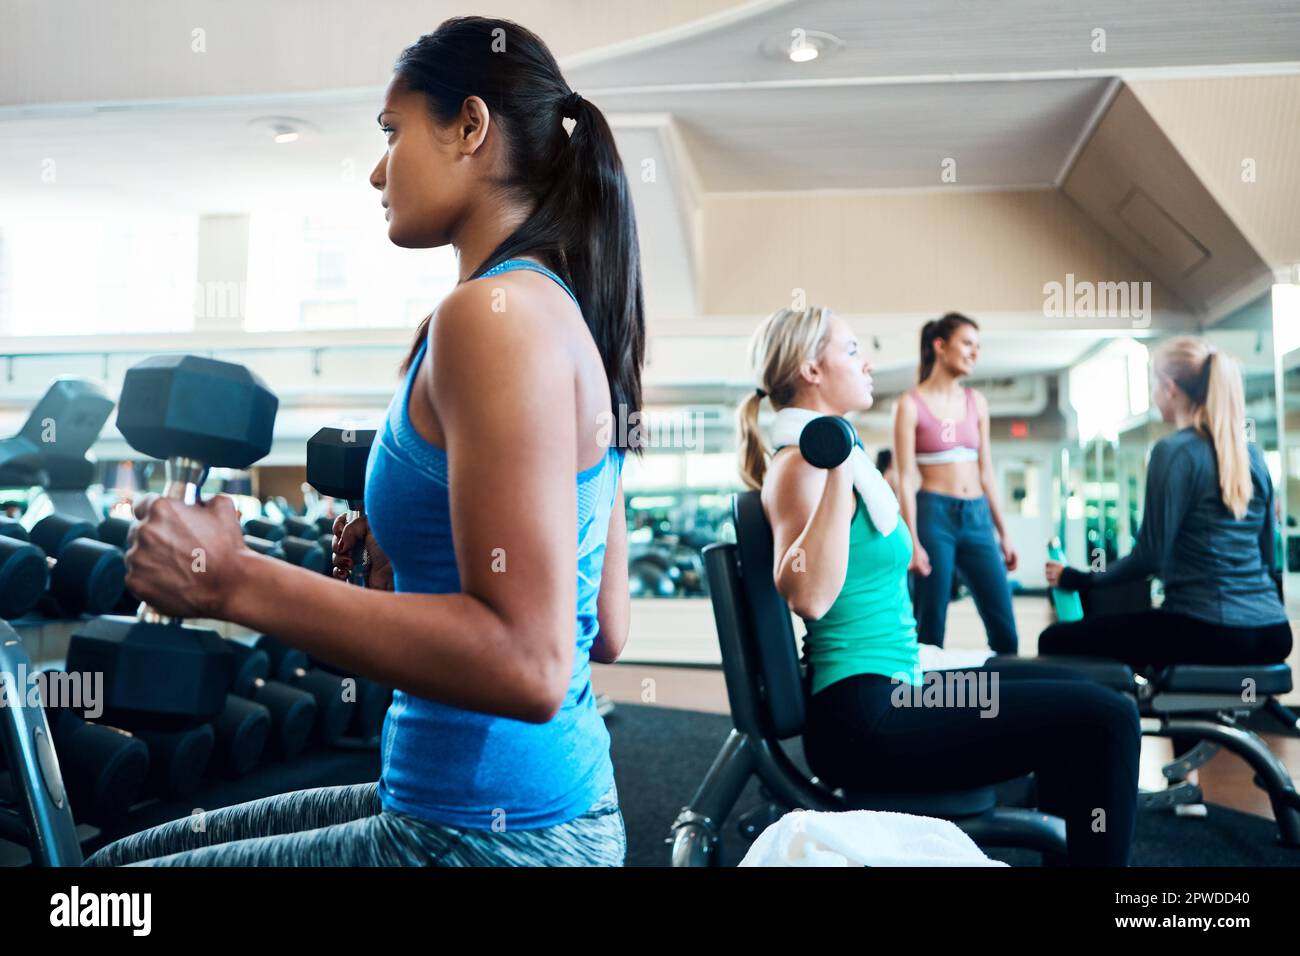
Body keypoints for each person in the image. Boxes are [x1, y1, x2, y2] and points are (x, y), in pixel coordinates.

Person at [86, 16, 643, 867]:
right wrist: (410, 580)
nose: (378, 171)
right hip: (519, 806)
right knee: (115, 867)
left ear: (470, 127)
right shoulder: (563, 315)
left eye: (391, 133)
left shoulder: (488, 321)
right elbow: (602, 627)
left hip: (487, 836)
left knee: (93, 901)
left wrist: (232, 578)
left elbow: (531, 666)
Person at [738, 305, 1140, 866]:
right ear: (810, 369)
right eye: (852, 350)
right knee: (1108, 718)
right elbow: (807, 594)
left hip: (900, 683)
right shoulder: (802, 465)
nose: (868, 361)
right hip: (867, 715)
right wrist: (832, 470)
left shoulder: (838, 459)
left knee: (1076, 688)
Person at [1041, 336, 1292, 670]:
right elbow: (1267, 555)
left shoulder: (1173, 452)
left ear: (1171, 388)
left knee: (1055, 640)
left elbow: (1150, 556)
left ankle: (1118, 718)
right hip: (1272, 631)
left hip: (1208, 629)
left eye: (1153, 384)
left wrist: (1079, 578)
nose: (1153, 394)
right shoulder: (1255, 457)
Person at [894, 313, 1019, 654]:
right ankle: (925, 704)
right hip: (935, 516)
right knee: (930, 629)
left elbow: (987, 470)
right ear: (940, 346)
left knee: (1006, 632)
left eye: (978, 346)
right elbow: (905, 478)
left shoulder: (976, 402)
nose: (974, 353)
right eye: (967, 343)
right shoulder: (910, 405)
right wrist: (913, 542)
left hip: (978, 517)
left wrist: (1003, 532)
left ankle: (1007, 703)